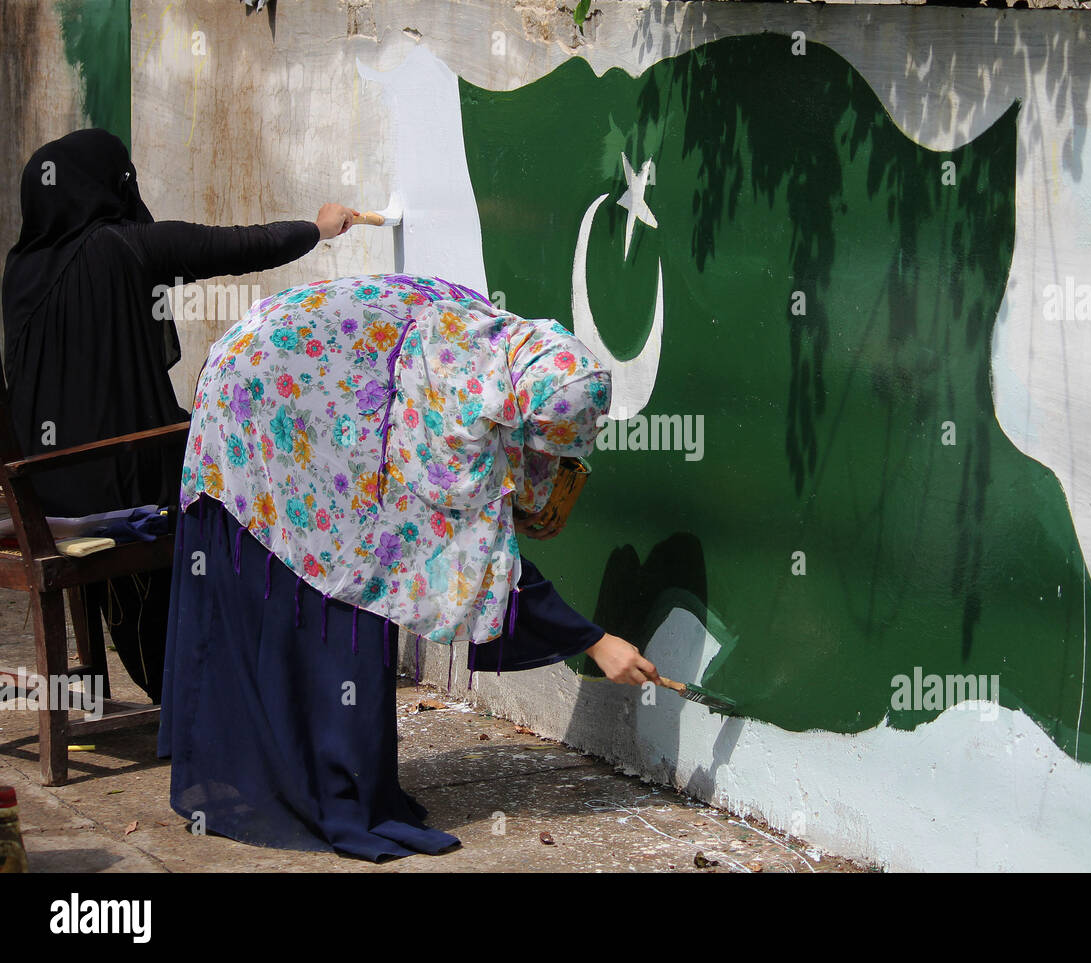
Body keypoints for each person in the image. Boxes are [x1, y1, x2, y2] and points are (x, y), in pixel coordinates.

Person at [158, 272, 656, 859]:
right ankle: (319, 788)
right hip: (273, 395)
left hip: (273, 367)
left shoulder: (495, 349)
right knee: (346, 588)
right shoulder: (446, 412)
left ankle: (291, 766)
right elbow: (479, 562)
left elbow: (516, 479)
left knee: (335, 585)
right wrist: (596, 642)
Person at [1, 128, 356, 702]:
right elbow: (237, 245)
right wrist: (318, 228)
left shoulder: (20, 270)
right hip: (122, 490)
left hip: (45, 500)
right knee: (257, 469)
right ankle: (258, 671)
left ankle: (184, 679)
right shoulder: (123, 246)